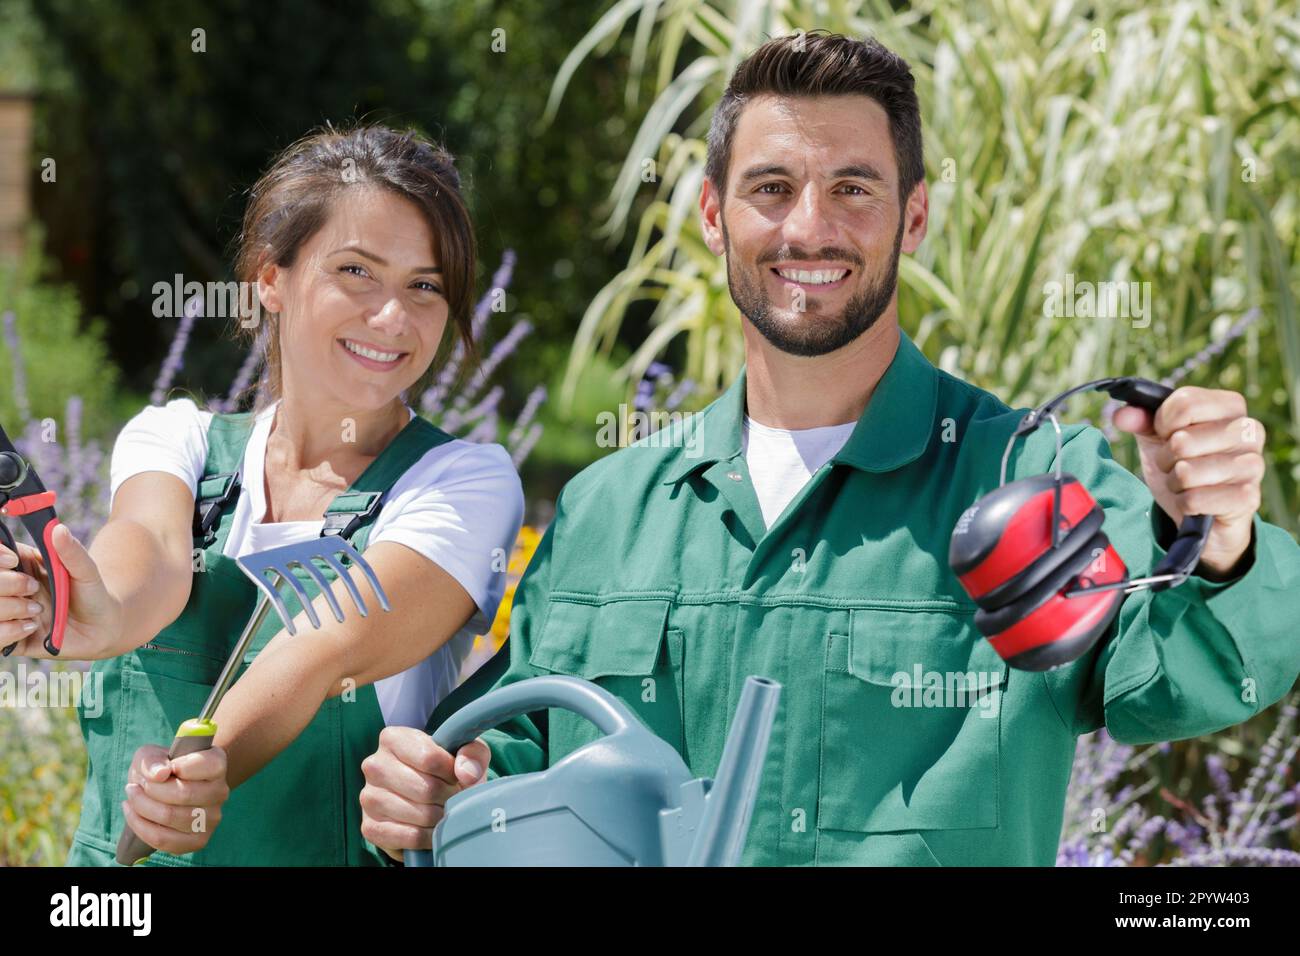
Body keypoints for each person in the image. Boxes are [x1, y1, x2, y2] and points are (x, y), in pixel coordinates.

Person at [357, 33, 1300, 867]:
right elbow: (518, 754)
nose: (810, 227)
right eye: (772, 189)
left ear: (914, 217)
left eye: (854, 188)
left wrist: (1218, 541)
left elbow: (1181, 686)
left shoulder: (1039, 481)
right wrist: (442, 789)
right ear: (714, 216)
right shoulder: (610, 508)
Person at [0, 124, 524, 865]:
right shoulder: (174, 440)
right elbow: (147, 554)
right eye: (356, 271)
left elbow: (321, 649)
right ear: (269, 280)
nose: (393, 317)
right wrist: (94, 612)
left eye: (426, 285)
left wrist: (203, 771)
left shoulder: (462, 484)